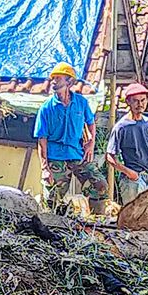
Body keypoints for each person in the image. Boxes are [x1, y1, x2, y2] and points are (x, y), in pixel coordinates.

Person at [33, 62, 108, 215]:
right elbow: (41, 139)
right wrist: (44, 168)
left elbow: (91, 122)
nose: (54, 81)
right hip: (55, 157)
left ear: (70, 82)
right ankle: (51, 227)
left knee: (100, 185)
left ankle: (97, 223)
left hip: (76, 153)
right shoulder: (46, 108)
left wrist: (91, 142)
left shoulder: (81, 102)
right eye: (53, 78)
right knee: (53, 198)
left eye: (58, 78)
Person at [106, 82, 148, 205]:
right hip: (132, 180)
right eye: (135, 101)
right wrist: (129, 173)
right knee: (133, 219)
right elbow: (109, 156)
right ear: (128, 102)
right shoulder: (121, 127)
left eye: (142, 100)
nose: (139, 104)